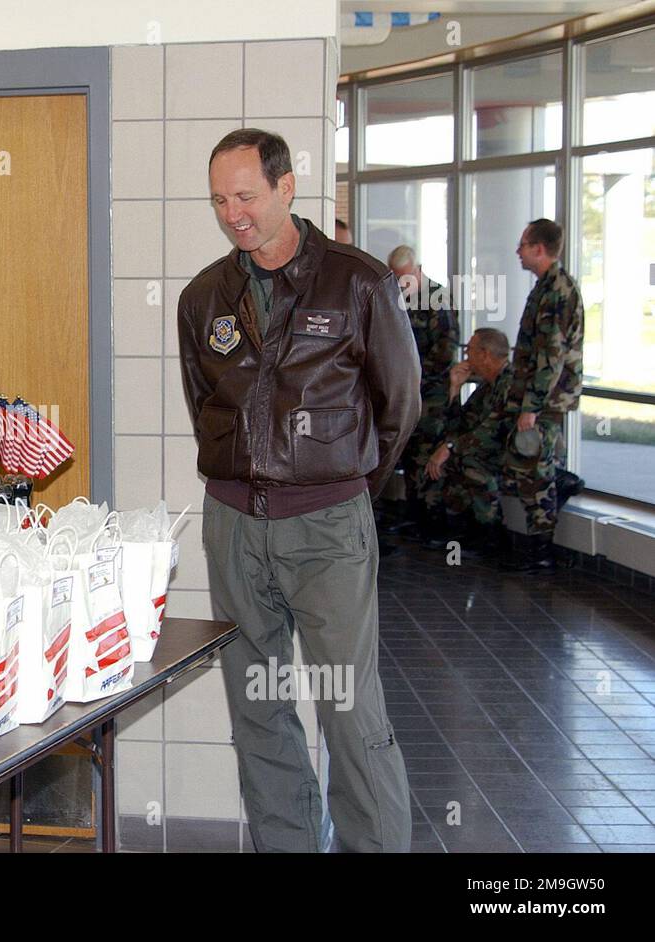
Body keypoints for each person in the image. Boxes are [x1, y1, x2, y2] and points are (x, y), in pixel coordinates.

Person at [179, 128, 419, 853]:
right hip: (234, 527)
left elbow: (399, 405)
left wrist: (337, 490)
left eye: (247, 196)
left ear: (288, 187)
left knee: (349, 711)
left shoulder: (358, 282)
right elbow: (207, 409)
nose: (233, 214)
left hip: (327, 529)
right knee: (259, 711)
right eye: (221, 200)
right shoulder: (203, 296)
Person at [501, 219, 584, 573]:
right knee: (532, 467)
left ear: (539, 249)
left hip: (546, 402)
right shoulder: (545, 287)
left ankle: (541, 551)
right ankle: (560, 492)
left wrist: (531, 408)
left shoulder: (557, 291)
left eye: (522, 245)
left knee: (533, 469)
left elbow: (552, 357)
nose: (517, 252)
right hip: (540, 400)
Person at [419, 328, 514, 559]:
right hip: (483, 449)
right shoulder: (487, 386)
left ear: (485, 355)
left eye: (470, 350)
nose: (466, 357)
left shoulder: (510, 384)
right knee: (433, 454)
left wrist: (450, 448)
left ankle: (490, 536)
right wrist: (454, 389)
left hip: (509, 455)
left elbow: (490, 431)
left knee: (469, 464)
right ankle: (454, 525)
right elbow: (459, 425)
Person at [385, 245, 458, 544]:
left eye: (404, 277)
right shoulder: (397, 297)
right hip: (405, 392)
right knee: (410, 452)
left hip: (432, 394)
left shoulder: (438, 298)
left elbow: (444, 352)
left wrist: (414, 377)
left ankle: (434, 524)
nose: (401, 283)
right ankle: (415, 517)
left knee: (427, 454)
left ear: (418, 270)